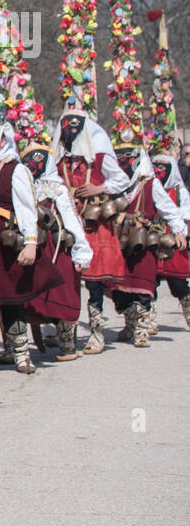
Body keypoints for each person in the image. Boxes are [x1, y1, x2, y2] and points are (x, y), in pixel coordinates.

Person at [0, 123, 62, 375]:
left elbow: (27, 207)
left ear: (2, 142)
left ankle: (20, 352)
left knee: (9, 296)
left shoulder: (15, 170)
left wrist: (30, 242)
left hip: (4, 244)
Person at [51, 111, 131, 354]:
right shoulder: (58, 158)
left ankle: (96, 331)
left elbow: (122, 179)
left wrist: (99, 186)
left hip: (93, 221)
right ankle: (66, 329)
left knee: (94, 279)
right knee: (65, 275)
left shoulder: (98, 155)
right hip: (65, 219)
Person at [108, 145, 186, 347]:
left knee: (143, 287)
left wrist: (179, 231)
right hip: (119, 242)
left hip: (143, 243)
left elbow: (170, 210)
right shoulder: (114, 185)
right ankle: (130, 322)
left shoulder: (150, 185)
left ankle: (142, 329)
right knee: (119, 290)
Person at [21, 144, 93, 361]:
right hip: (33, 247)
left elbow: (72, 220)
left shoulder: (58, 189)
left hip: (57, 248)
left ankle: (67, 343)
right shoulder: (23, 186)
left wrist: (82, 251)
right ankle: (19, 346)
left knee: (62, 293)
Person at [151, 153, 190, 329]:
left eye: (163, 166)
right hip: (151, 239)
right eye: (156, 166)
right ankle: (147, 321)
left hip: (174, 241)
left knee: (179, 284)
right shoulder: (148, 187)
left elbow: (186, 214)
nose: (160, 170)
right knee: (149, 283)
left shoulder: (180, 191)